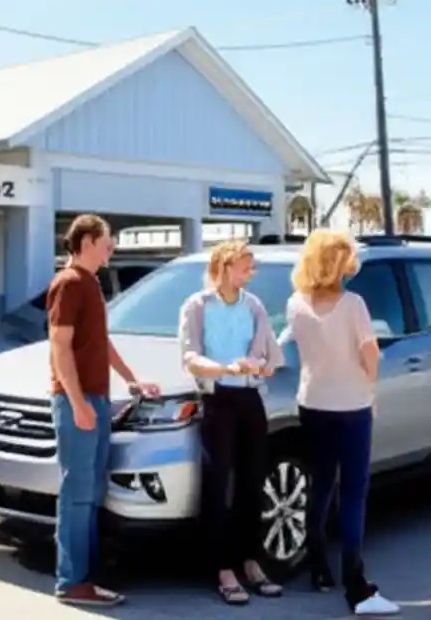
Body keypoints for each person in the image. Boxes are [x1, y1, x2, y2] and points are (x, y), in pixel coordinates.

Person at [277, 229, 400, 616]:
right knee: (353, 493)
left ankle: (319, 569)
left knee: (320, 487)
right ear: (337, 263)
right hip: (352, 406)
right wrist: (369, 386)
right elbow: (371, 356)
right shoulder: (354, 305)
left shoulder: (296, 303)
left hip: (313, 403)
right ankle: (356, 584)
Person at [48, 213, 161, 607]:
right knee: (77, 493)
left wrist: (130, 379)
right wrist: (77, 403)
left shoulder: (91, 284)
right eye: (107, 239)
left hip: (97, 398)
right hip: (76, 401)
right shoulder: (69, 283)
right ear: (88, 241)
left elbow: (101, 342)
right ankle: (71, 580)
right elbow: (59, 347)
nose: (112, 246)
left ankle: (88, 575)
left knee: (92, 490)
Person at [178, 240, 286, 605]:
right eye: (245, 267)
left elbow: (272, 354)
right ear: (224, 267)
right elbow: (190, 357)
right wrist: (225, 367)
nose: (250, 273)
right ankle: (222, 569)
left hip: (249, 398)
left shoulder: (253, 305)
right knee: (218, 481)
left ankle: (251, 562)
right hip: (217, 398)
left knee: (253, 481)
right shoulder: (197, 306)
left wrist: (261, 363)